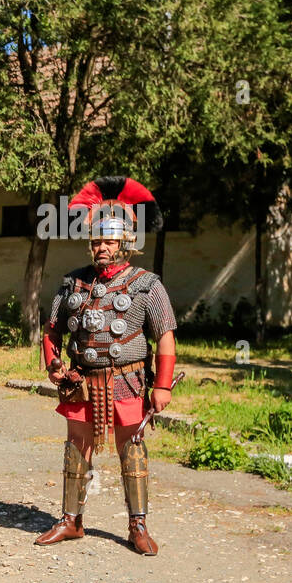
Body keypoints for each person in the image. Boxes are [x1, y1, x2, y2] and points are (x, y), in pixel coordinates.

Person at [35, 176, 177, 556]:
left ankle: (138, 525)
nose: (101, 247)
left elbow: (165, 337)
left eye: (109, 240)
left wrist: (161, 385)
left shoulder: (147, 284)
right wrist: (53, 364)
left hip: (127, 382)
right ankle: (71, 520)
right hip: (81, 382)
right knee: (75, 449)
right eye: (96, 240)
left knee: (131, 449)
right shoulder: (72, 283)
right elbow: (51, 331)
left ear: (125, 243)